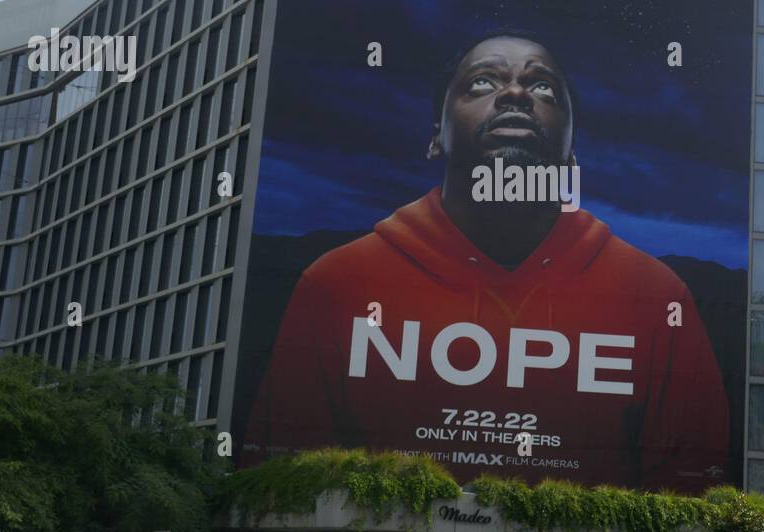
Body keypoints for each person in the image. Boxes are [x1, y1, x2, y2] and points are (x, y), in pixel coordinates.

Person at [241, 31, 729, 492]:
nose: (515, 93)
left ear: (570, 149)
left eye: (542, 86)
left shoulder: (660, 298)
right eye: (483, 82)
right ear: (436, 136)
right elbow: (278, 479)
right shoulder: (336, 284)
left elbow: (692, 495)